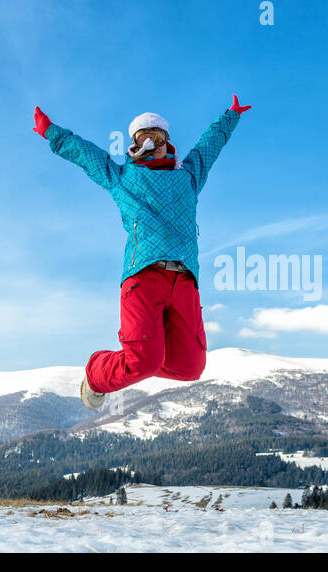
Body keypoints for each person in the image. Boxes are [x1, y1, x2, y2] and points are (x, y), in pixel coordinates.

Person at [31, 95, 253, 408]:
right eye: (143, 137)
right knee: (143, 363)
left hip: (185, 280)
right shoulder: (121, 177)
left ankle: (146, 353)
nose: (152, 142)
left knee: (190, 368)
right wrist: (51, 132)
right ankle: (97, 372)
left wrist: (231, 115)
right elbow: (85, 155)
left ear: (167, 142)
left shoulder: (188, 176)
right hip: (143, 276)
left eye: (158, 137)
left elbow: (209, 145)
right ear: (135, 144)